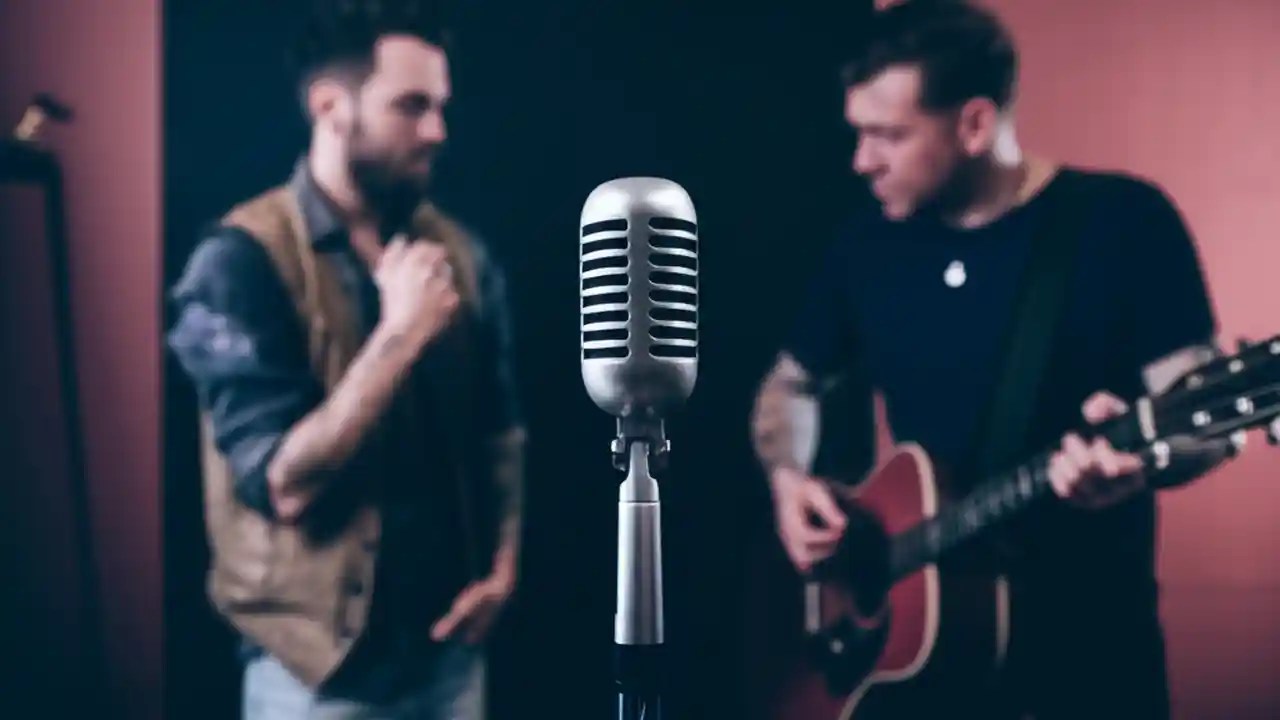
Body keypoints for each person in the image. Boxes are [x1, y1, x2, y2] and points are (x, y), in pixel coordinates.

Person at [750, 1, 1231, 718]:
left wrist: (1145, 465)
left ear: (974, 124)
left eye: (887, 135)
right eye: (859, 134)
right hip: (911, 670)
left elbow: (1207, 426)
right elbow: (789, 384)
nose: (861, 161)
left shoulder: (1123, 223)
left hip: (1091, 659)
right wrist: (789, 480)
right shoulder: (867, 246)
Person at [166, 2, 524, 717]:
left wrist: (504, 569)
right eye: (411, 106)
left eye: (441, 107)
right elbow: (286, 483)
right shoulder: (239, 260)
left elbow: (501, 431)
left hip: (451, 660)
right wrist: (399, 336)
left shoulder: (461, 253)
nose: (437, 131)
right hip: (316, 680)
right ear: (331, 106)